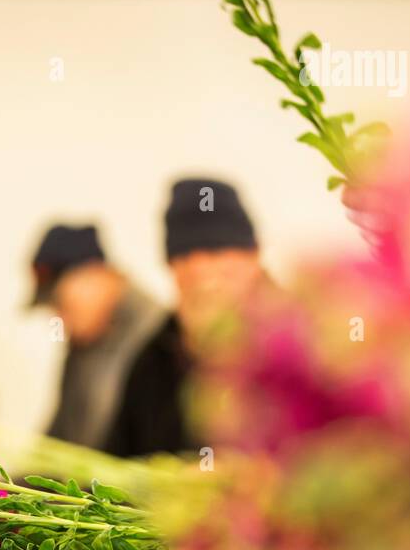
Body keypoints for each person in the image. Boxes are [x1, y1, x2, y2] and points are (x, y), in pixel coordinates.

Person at [104, 179, 265, 458]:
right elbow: (115, 462)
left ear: (253, 256)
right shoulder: (153, 359)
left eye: (216, 252)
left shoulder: (298, 348)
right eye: (184, 255)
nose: (200, 271)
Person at [27, 223, 164, 450]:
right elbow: (57, 443)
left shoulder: (157, 337)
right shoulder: (81, 342)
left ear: (96, 273)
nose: (59, 319)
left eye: (60, 303)